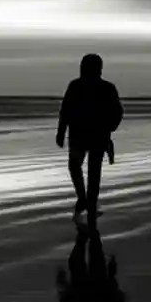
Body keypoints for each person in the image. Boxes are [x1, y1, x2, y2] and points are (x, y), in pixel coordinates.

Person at [56, 53, 123, 224]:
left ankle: (87, 200)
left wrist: (109, 128)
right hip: (84, 135)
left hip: (94, 135)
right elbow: (65, 110)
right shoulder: (77, 86)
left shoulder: (104, 88)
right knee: (82, 168)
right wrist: (61, 131)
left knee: (89, 169)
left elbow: (117, 112)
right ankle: (84, 198)